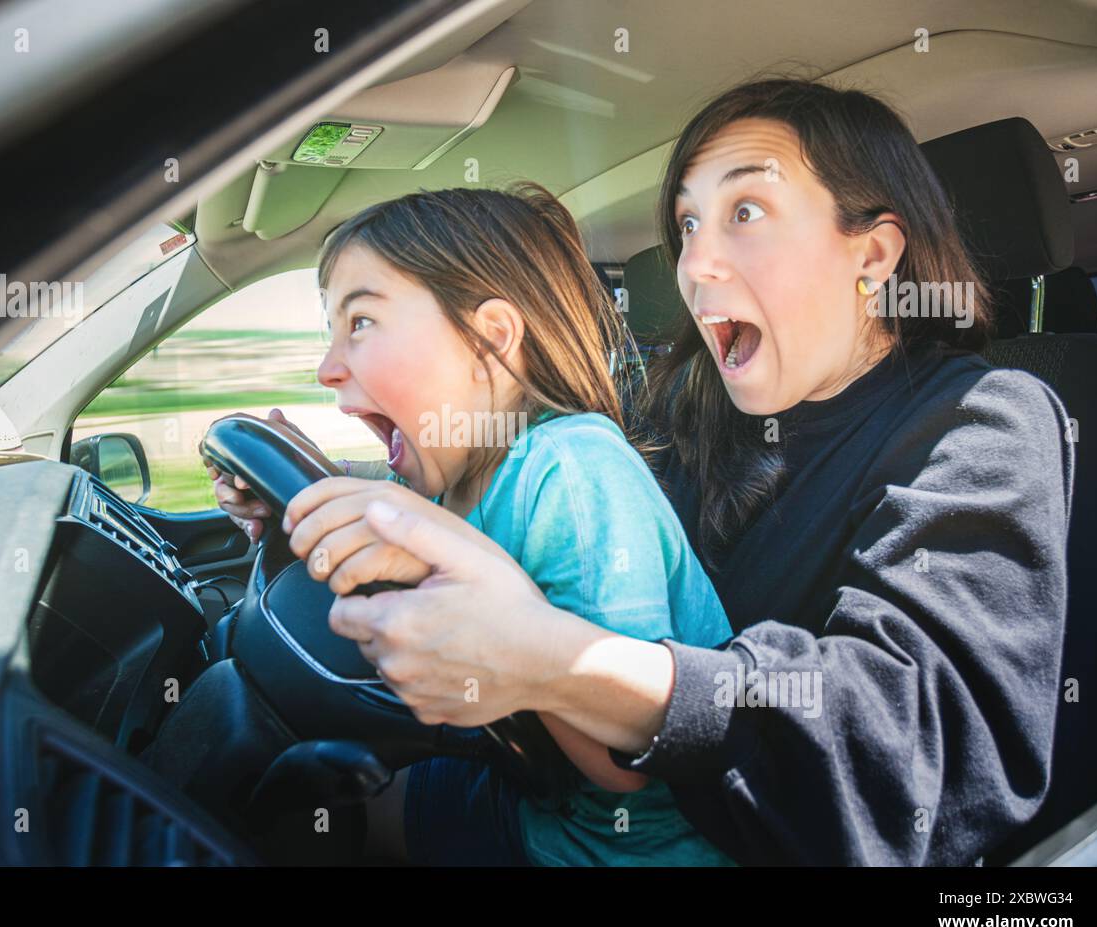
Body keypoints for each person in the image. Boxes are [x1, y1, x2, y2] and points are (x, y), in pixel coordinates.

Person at [214, 79, 1073, 866]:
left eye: (747, 211)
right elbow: (504, 472)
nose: (694, 264)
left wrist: (557, 663)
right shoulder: (684, 413)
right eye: (690, 223)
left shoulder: (984, 421)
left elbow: (914, 741)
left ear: (873, 258)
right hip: (556, 791)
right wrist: (333, 499)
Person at [213, 183, 738, 865]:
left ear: (491, 340)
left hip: (626, 845)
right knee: (318, 809)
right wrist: (296, 485)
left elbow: (622, 766)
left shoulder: (571, 471)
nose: (327, 368)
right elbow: (386, 502)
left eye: (362, 323)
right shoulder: (452, 471)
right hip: (531, 794)